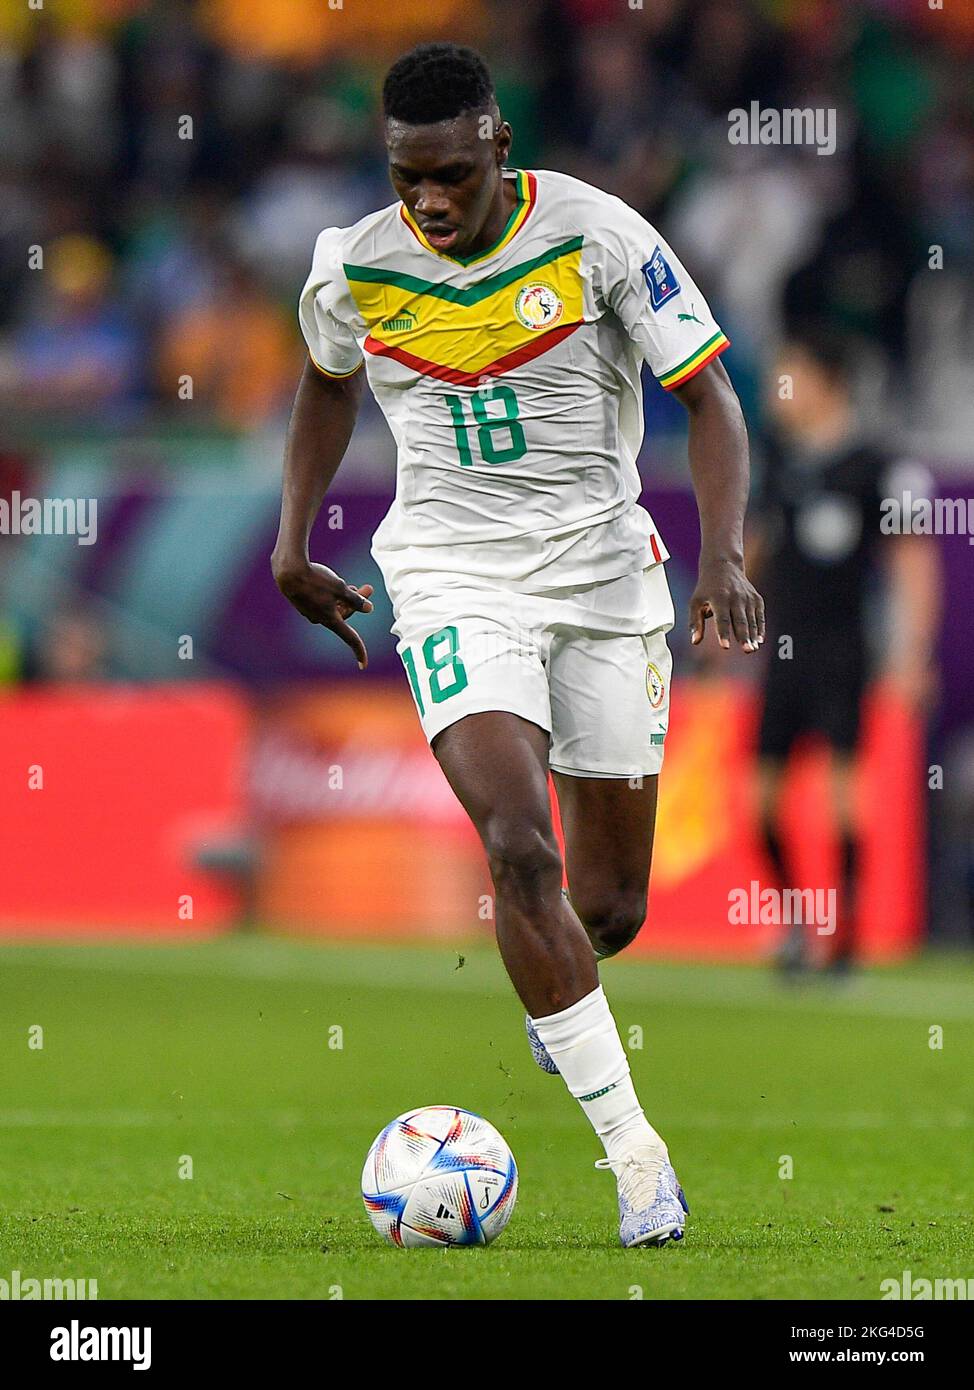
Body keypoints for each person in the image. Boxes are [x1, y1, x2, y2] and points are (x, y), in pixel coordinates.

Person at [272, 42, 764, 1247]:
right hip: (449, 576)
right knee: (515, 848)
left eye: (445, 173)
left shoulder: (599, 236)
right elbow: (326, 384)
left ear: (495, 141)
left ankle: (565, 1004)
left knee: (607, 906)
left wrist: (720, 558)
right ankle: (635, 1158)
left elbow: (709, 398)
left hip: (602, 578)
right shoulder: (353, 265)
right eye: (405, 179)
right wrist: (292, 542)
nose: (426, 201)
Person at [750, 329, 940, 976]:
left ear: (827, 383)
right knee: (760, 800)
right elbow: (757, 549)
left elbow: (914, 562)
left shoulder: (878, 466)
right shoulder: (775, 461)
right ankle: (796, 927)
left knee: (842, 797)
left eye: (790, 375)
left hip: (841, 651)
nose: (778, 391)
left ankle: (846, 934)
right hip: (781, 651)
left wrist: (912, 654)